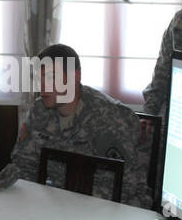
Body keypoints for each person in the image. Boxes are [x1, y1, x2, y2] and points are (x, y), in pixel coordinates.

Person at [11, 44, 147, 207]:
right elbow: (23, 163)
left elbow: (125, 186)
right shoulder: (39, 110)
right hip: (58, 204)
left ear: (74, 77)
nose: (42, 87)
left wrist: (61, 201)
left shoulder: (108, 117)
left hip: (111, 211)